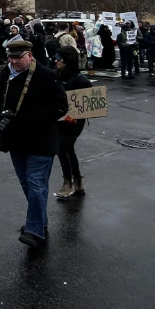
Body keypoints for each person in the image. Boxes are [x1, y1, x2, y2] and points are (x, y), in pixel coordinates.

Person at [0, 38, 69, 249]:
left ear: (29, 56)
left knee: (35, 184)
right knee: (28, 184)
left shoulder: (46, 75)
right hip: (16, 141)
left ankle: (34, 231)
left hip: (41, 141)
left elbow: (61, 107)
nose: (14, 62)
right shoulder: (6, 73)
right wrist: (0, 117)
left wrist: (30, 119)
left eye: (18, 58)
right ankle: (40, 222)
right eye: (11, 57)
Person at [54, 46, 89, 200]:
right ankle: (78, 181)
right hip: (57, 119)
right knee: (67, 149)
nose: (56, 61)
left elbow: (86, 106)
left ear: (67, 60)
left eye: (59, 58)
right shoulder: (56, 75)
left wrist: (75, 118)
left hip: (73, 122)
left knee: (63, 147)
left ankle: (68, 182)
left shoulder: (80, 80)